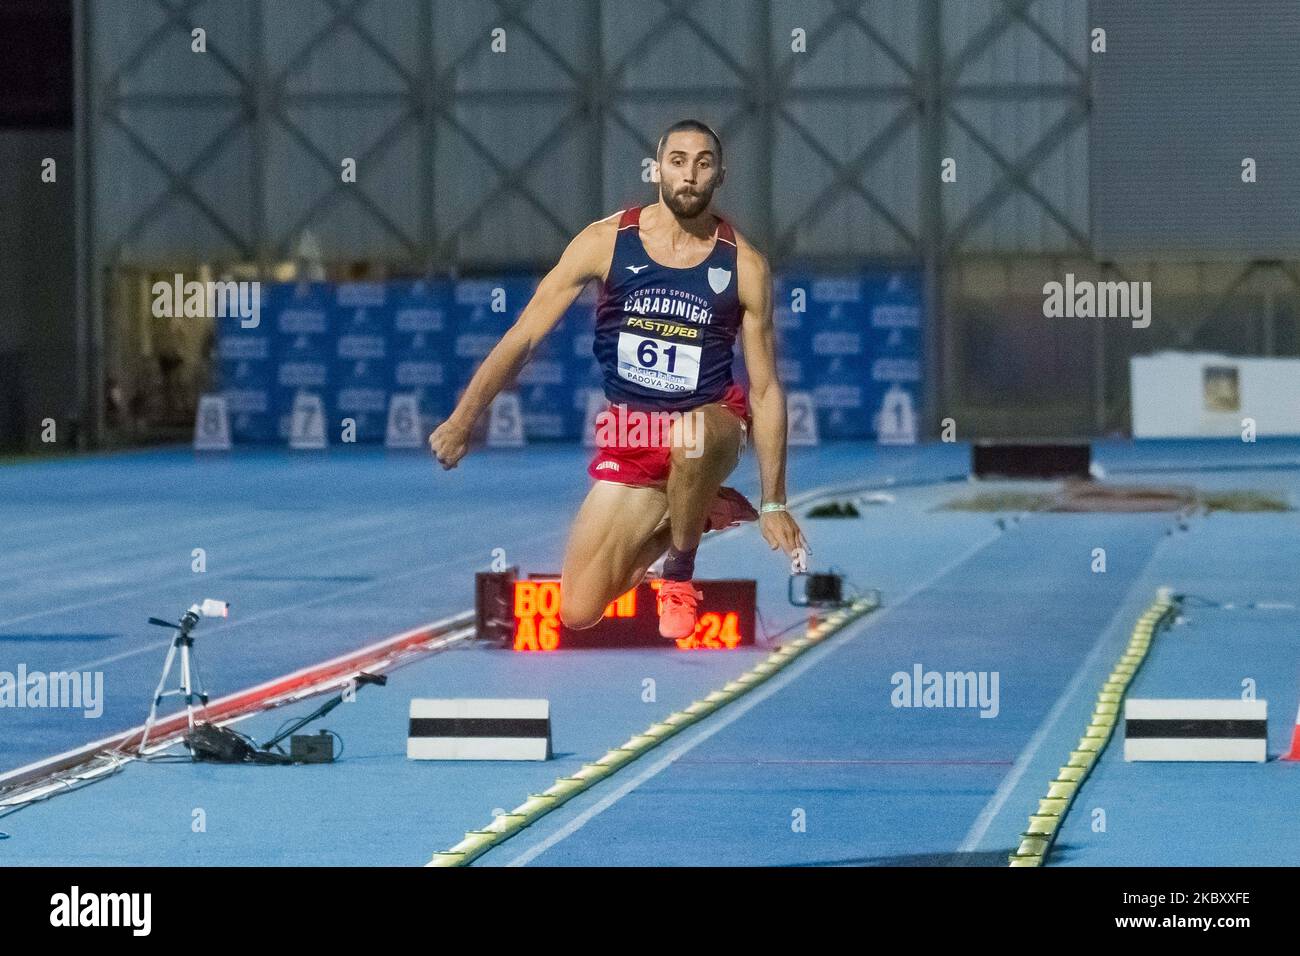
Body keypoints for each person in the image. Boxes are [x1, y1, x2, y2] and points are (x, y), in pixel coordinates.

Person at [430, 119, 806, 639]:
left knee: (692, 439)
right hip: (635, 437)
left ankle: (679, 570)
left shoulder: (744, 265)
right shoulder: (605, 242)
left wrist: (773, 501)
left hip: (711, 424)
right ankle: (694, 512)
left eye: (703, 163)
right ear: (657, 170)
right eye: (677, 161)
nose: (689, 175)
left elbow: (764, 390)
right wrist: (462, 420)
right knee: (578, 611)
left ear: (720, 175)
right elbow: (523, 338)